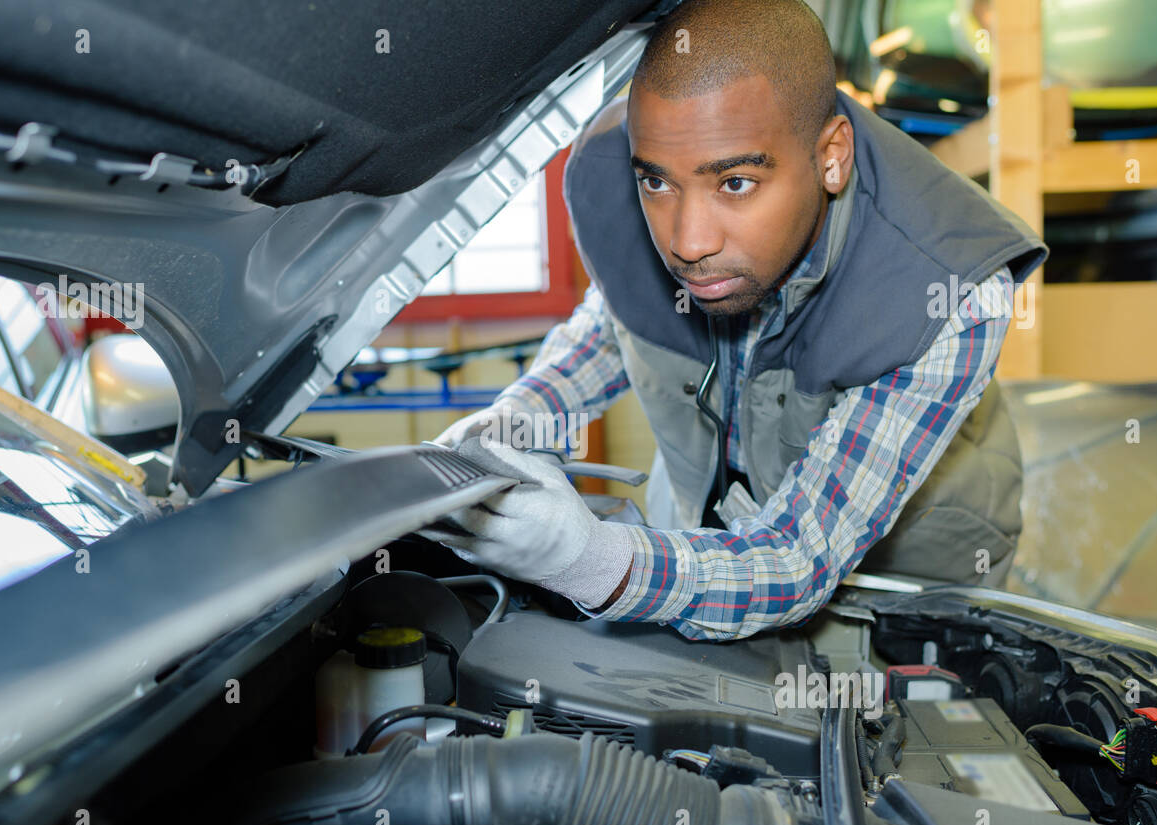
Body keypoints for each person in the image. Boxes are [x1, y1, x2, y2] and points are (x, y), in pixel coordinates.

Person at [423, 0, 1047, 641]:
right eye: (658, 184)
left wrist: (588, 561)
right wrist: (511, 425)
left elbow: (800, 558)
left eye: (737, 183)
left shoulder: (952, 289)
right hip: (699, 532)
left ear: (831, 158)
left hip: (895, 593)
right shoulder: (613, 179)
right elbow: (611, 333)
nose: (689, 243)